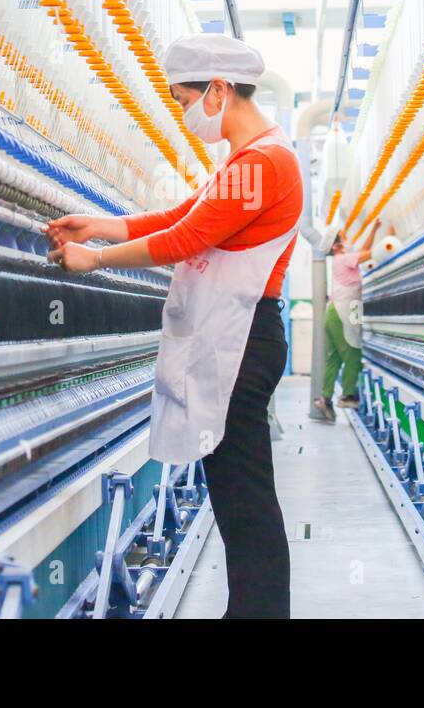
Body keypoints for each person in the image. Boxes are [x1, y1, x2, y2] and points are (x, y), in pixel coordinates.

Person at [44, 33, 302, 619]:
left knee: (244, 497)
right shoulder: (247, 159)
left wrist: (97, 259)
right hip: (237, 337)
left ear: (219, 90)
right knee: (238, 493)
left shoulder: (264, 161)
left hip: (243, 340)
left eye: (184, 100)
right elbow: (182, 215)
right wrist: (99, 225)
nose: (185, 114)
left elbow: (186, 237)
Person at [315, 220, 380, 421]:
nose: (346, 239)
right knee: (353, 353)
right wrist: (389, 244)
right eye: (343, 237)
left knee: (334, 357)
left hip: (337, 312)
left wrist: (374, 229)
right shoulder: (343, 260)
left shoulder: (343, 259)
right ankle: (347, 396)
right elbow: (369, 254)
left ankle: (325, 398)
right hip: (345, 312)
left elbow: (363, 251)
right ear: (336, 246)